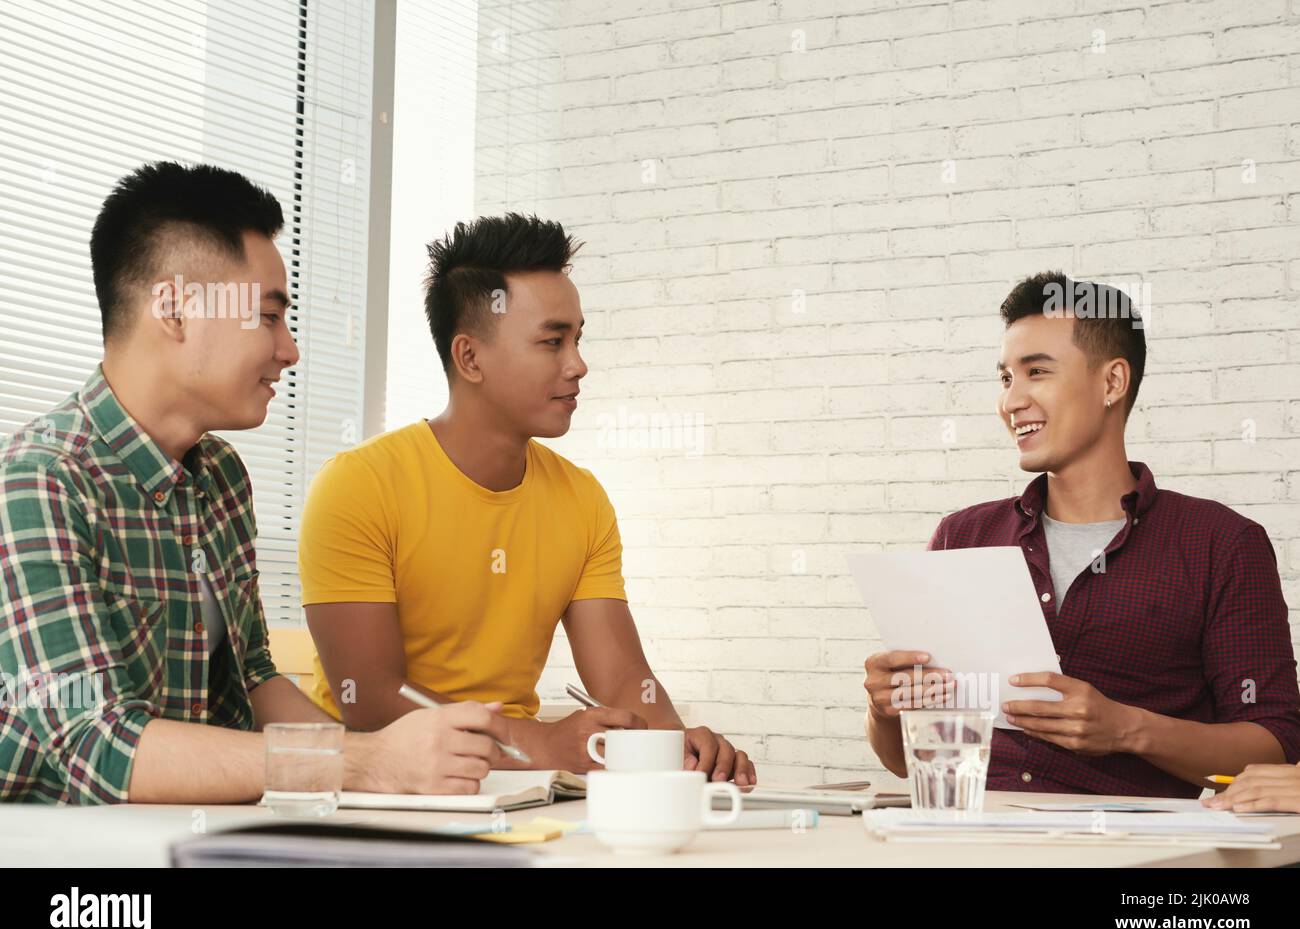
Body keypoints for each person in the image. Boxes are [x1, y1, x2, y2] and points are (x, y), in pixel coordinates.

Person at [0, 162, 506, 804]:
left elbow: (254, 680)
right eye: (269, 316)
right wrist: (365, 761)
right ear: (176, 309)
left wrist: (394, 782)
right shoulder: (42, 480)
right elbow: (97, 745)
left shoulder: (220, 476)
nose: (289, 349)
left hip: (186, 829)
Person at [298, 212, 756, 784]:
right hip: (384, 783)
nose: (578, 364)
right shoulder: (359, 484)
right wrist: (538, 741)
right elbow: (367, 697)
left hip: (520, 784)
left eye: (578, 339)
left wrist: (680, 750)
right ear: (470, 358)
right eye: (552, 341)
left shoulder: (581, 500)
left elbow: (622, 681)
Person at [864, 271, 1300, 797]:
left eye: (1037, 372)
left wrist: (1127, 730)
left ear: (1112, 382)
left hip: (1128, 855)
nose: (1011, 401)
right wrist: (883, 708)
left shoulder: (1220, 544)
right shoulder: (963, 535)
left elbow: (1275, 747)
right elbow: (905, 762)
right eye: (1005, 378)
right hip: (969, 838)